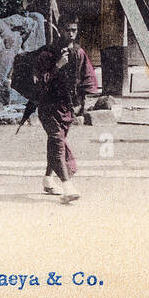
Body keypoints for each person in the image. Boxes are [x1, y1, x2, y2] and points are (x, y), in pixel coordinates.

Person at [35, 17, 98, 203]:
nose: (71, 34)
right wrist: (57, 66)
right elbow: (39, 81)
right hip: (48, 105)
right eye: (67, 30)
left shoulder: (78, 52)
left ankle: (47, 179)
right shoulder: (47, 53)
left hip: (67, 106)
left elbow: (87, 78)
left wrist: (82, 103)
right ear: (60, 30)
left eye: (74, 30)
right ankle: (67, 185)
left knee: (57, 142)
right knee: (57, 141)